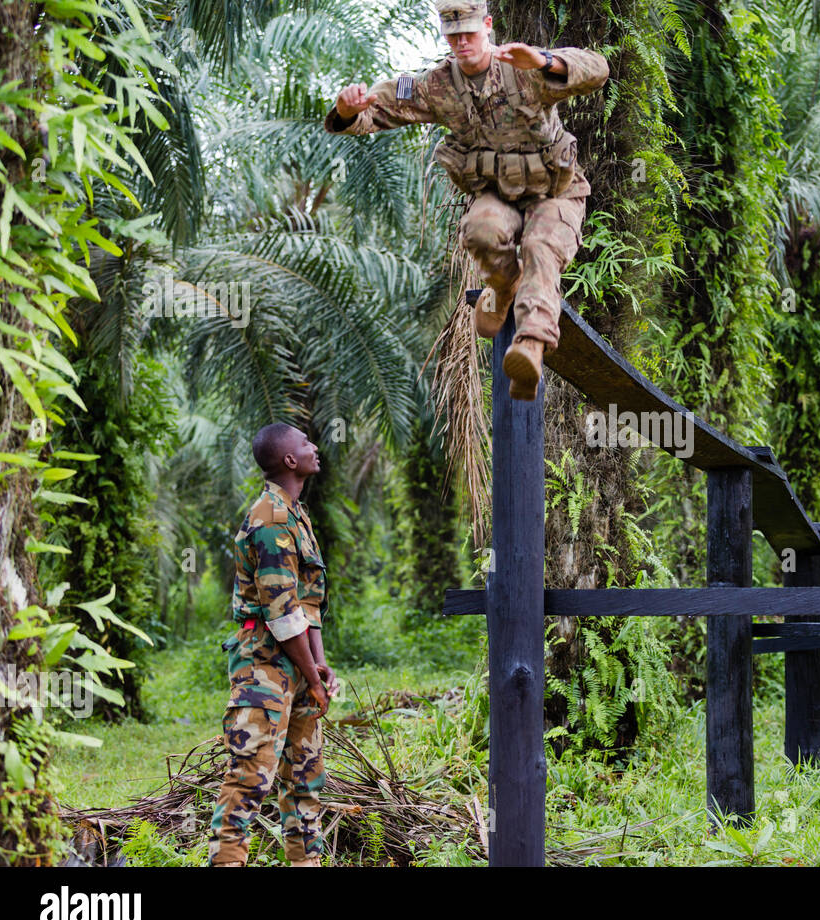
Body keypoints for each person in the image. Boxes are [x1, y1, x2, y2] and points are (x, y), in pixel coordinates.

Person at [325, 0, 609, 401]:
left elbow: (597, 69)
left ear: (488, 26)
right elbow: (381, 107)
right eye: (453, 36)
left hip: (555, 193)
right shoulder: (438, 86)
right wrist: (347, 112)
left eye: (469, 33)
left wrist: (545, 61)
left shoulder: (524, 68)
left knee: (541, 246)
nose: (461, 43)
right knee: (480, 231)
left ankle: (529, 346)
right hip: (499, 196)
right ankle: (501, 284)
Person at [208, 423, 337, 867]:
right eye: (305, 444)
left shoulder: (296, 515)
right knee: (250, 777)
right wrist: (310, 674)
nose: (314, 447)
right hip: (263, 666)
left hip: (297, 665)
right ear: (287, 460)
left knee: (305, 778)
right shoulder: (270, 519)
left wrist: (318, 669)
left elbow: (308, 605)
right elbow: (281, 615)